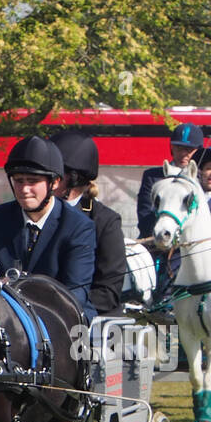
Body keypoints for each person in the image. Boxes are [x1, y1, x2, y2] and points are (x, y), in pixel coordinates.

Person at [0, 135, 97, 323]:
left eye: (32, 181)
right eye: (18, 180)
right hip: (5, 320)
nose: (24, 189)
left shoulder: (78, 226)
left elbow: (75, 293)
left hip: (60, 320)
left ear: (54, 183)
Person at [51, 130, 126, 316]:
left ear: (74, 178)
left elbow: (107, 293)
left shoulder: (105, 222)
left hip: (76, 321)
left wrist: (53, 306)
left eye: (53, 175)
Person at [136, 124, 204, 239]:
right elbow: (144, 214)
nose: (183, 154)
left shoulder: (202, 179)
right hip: (158, 239)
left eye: (189, 150)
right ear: (171, 147)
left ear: (198, 151)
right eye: (179, 148)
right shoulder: (152, 177)